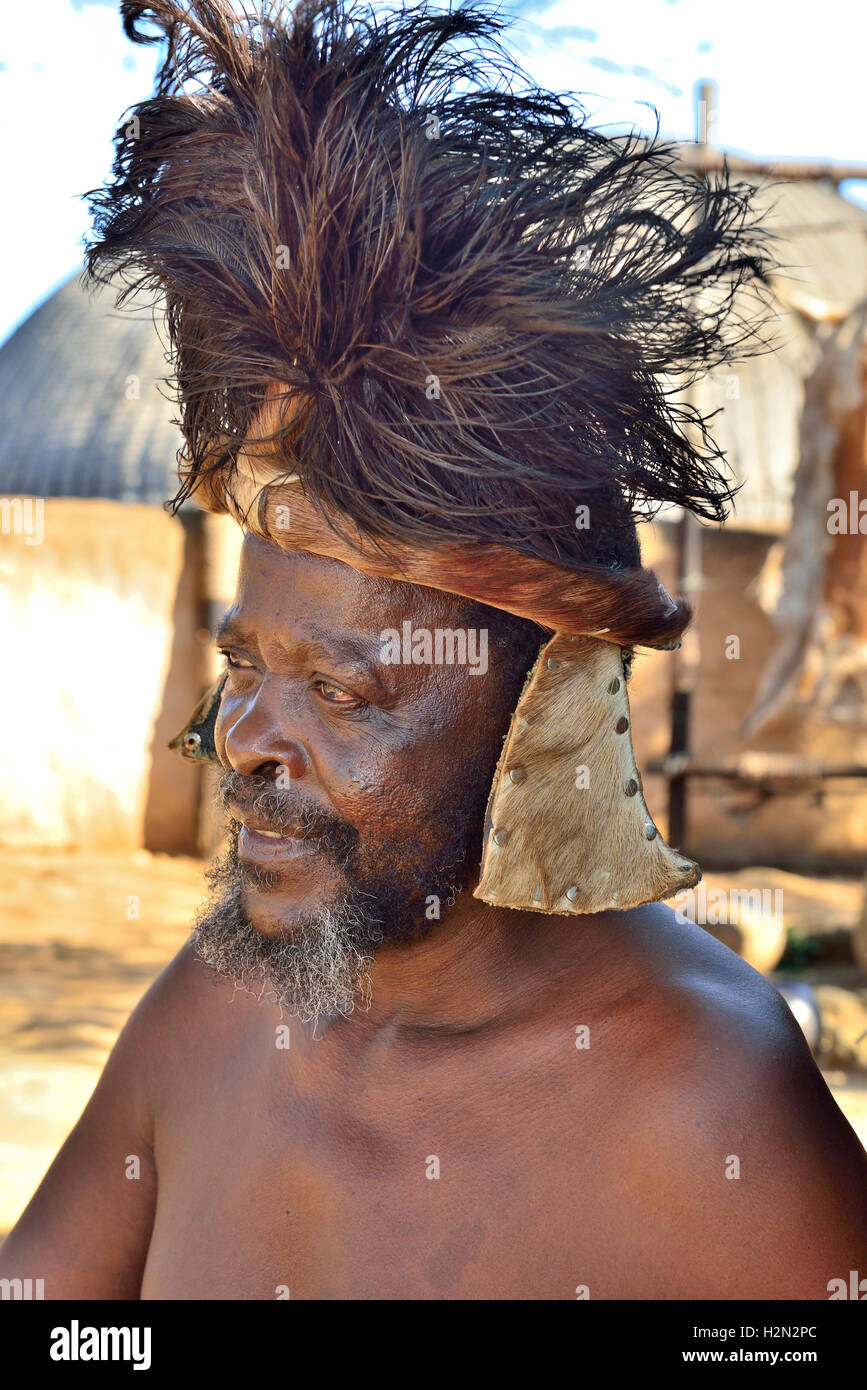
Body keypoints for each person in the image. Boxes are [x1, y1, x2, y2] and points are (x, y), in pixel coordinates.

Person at [2, 0, 864, 1299]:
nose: (244, 738)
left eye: (343, 687)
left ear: (542, 722)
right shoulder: (222, 1002)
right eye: (247, 667)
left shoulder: (708, 1111)